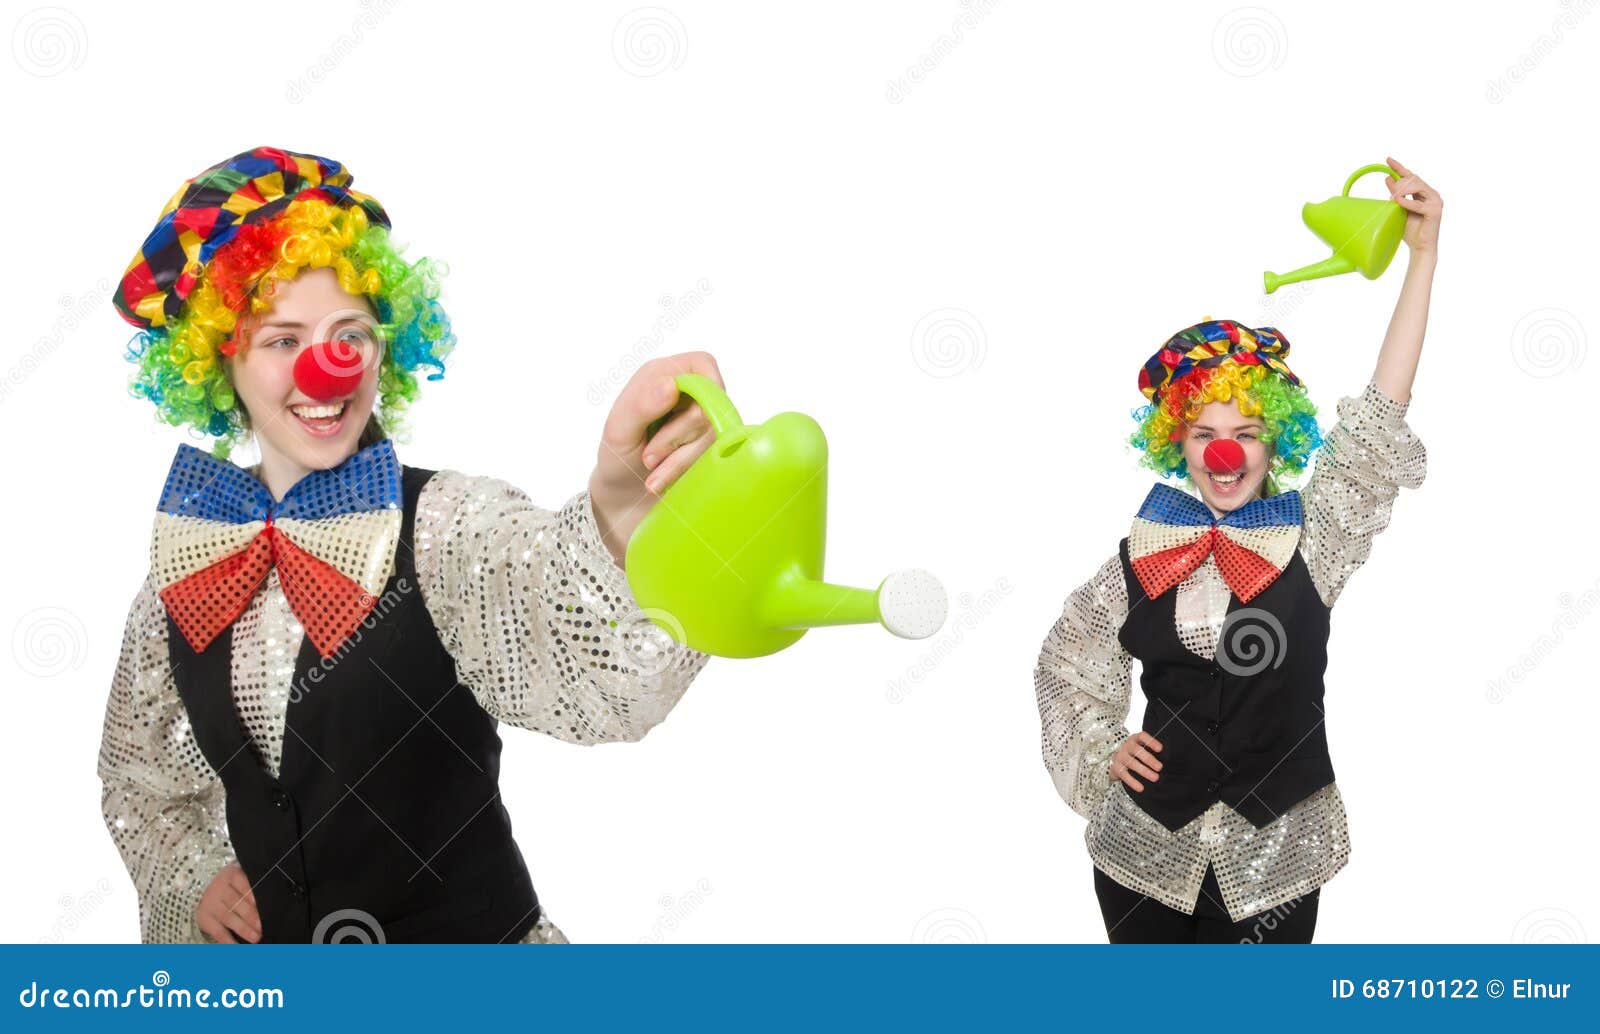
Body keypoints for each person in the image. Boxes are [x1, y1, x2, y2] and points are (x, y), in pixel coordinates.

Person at [98, 146, 725, 943]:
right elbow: (139, 780)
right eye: (282, 340)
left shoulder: (444, 527)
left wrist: (617, 507)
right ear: (224, 361)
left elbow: (593, 673)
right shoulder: (191, 565)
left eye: (347, 333)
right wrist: (194, 878)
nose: (327, 370)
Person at [1034, 159, 1440, 943]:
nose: (1225, 455)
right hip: (1143, 858)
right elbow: (1065, 665)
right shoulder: (1139, 558)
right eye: (1204, 435)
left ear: (1274, 441)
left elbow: (1381, 413)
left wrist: (1422, 258)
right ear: (1178, 446)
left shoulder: (1316, 539)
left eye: (1246, 434)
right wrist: (1101, 747)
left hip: (1276, 867)